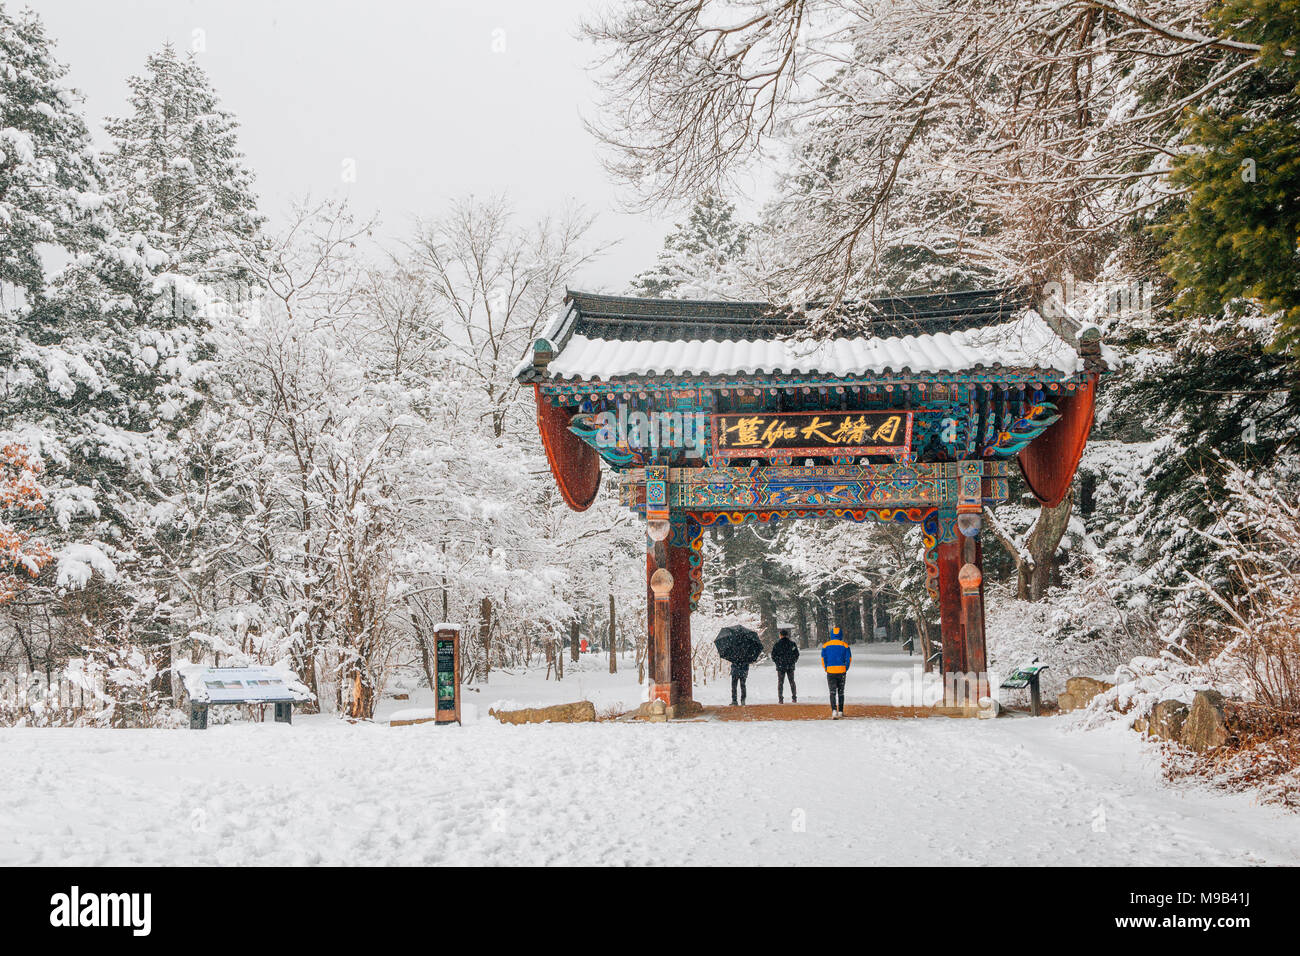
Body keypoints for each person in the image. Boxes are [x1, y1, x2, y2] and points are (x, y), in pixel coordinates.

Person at [820, 626, 851, 719]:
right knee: (841, 692)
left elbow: (823, 658)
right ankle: (841, 711)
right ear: (840, 634)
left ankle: (834, 710)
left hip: (830, 671)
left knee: (832, 692)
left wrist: (826, 667)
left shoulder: (825, 645)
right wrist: (846, 668)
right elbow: (848, 659)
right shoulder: (845, 645)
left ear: (831, 635)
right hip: (841, 671)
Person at [771, 627, 800, 703]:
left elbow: (773, 655)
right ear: (787, 635)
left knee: (780, 682)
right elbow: (796, 654)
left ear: (780, 635)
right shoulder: (792, 644)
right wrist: (793, 661)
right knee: (792, 682)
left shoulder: (777, 644)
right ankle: (794, 697)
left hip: (780, 666)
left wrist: (777, 662)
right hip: (790, 665)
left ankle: (780, 699)